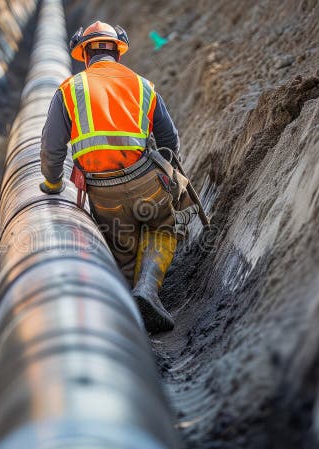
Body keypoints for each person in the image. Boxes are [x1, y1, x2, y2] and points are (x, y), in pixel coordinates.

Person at [39, 21, 196, 333]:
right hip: (146, 183)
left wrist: (53, 183)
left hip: (103, 193)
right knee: (161, 227)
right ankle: (147, 289)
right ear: (118, 53)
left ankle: (123, 309)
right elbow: (170, 141)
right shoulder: (143, 86)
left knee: (121, 248)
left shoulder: (69, 90)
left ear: (85, 54)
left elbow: (52, 147)